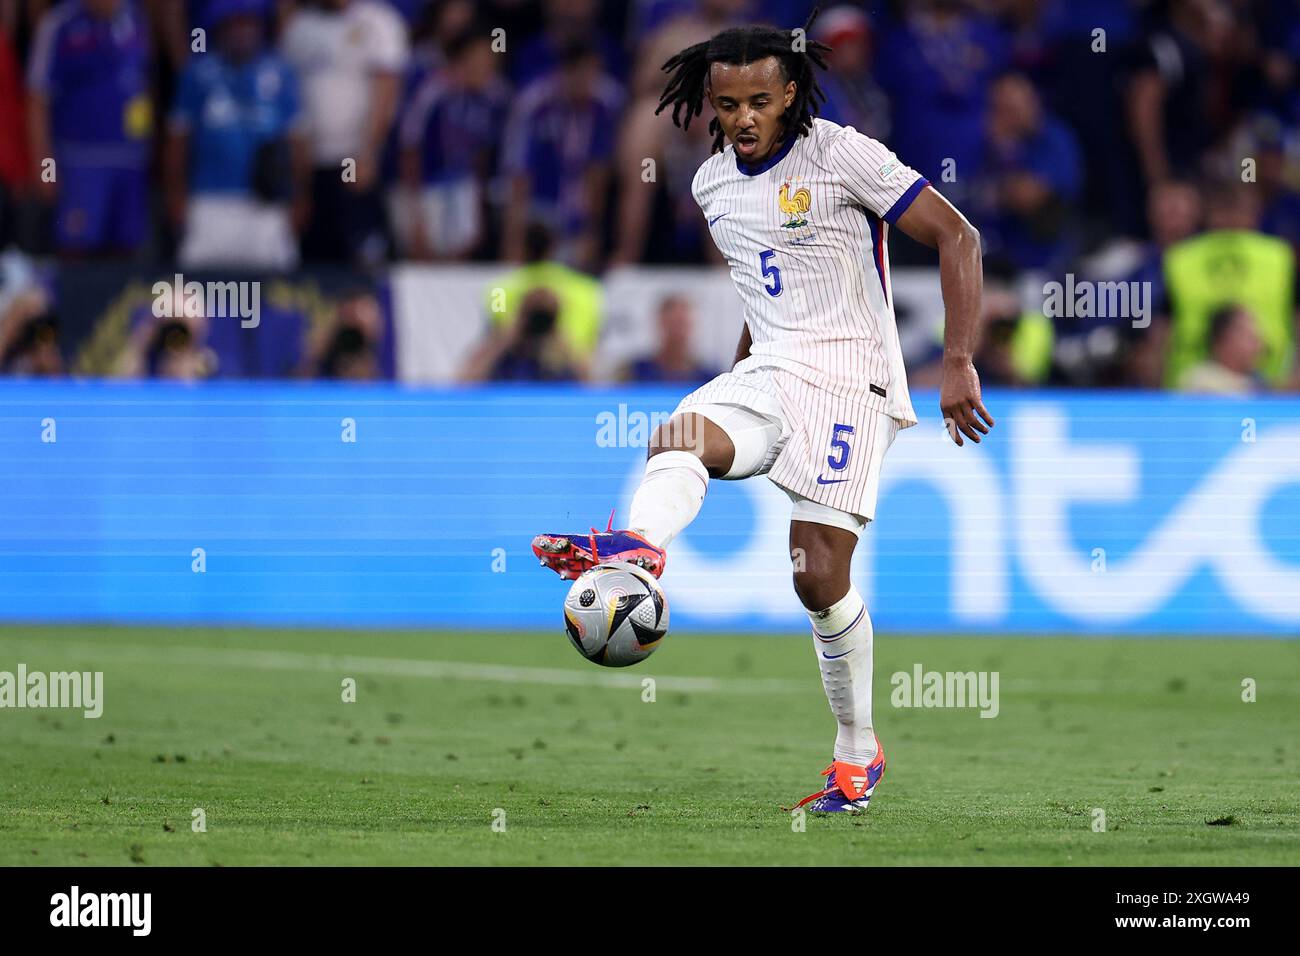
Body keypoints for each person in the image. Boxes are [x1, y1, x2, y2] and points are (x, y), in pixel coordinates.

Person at [531, 13, 992, 813]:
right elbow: (760, 285)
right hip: (773, 368)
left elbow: (959, 236)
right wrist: (739, 377)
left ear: (789, 95)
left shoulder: (843, 153)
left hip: (855, 379)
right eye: (728, 102)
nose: (743, 117)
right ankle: (635, 555)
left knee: (817, 579)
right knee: (677, 435)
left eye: (758, 101)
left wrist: (956, 359)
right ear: (709, 101)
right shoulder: (711, 183)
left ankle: (857, 755)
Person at [164, 0, 305, 269]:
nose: (242, 32)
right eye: (234, 24)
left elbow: (297, 140)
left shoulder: (281, 73)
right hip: (208, 199)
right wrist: (175, 193)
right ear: (219, 27)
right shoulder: (197, 72)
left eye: (249, 23)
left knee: (275, 288)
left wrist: (299, 195)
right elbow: (177, 140)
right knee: (198, 288)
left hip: (266, 204)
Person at [26, 0, 153, 256]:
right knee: (77, 248)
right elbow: (37, 99)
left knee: (127, 250)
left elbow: (145, 84)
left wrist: (149, 149)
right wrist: (45, 169)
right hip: (80, 161)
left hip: (130, 161)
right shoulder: (59, 24)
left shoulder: (136, 19)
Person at [1176, 303, 1265, 395]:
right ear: (1222, 340)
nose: (1259, 345)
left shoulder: (1258, 383)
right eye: (1249, 337)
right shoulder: (1200, 384)